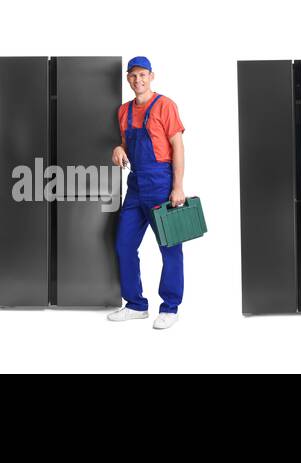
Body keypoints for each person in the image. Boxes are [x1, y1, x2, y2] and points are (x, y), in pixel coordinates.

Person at [105, 56, 188, 330]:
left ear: (152, 76)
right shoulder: (124, 111)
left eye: (142, 75)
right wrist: (120, 148)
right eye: (132, 75)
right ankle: (136, 305)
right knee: (124, 245)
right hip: (136, 185)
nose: (137, 80)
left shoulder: (165, 106)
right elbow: (126, 144)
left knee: (170, 248)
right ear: (128, 78)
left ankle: (170, 307)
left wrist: (177, 187)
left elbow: (178, 147)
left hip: (161, 183)